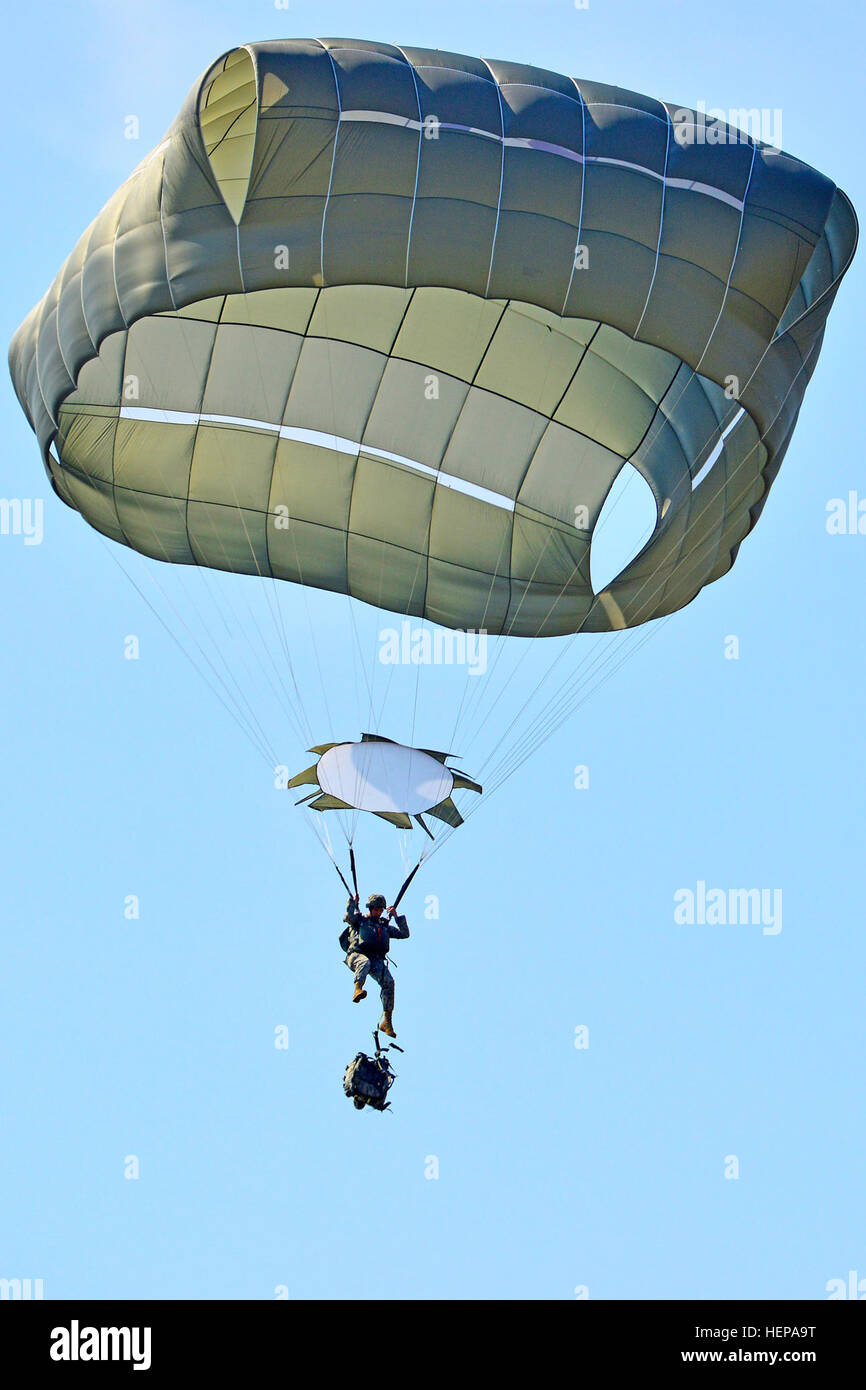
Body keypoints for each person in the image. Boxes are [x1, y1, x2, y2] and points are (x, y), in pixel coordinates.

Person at [340, 892, 410, 1038]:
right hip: (356, 955)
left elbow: (404, 934)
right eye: (376, 910)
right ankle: (358, 988)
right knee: (364, 963)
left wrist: (396, 917)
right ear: (370, 908)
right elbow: (348, 917)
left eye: (380, 910)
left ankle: (387, 1022)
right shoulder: (360, 920)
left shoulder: (384, 926)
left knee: (389, 982)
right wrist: (352, 902)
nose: (378, 913)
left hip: (375, 959)